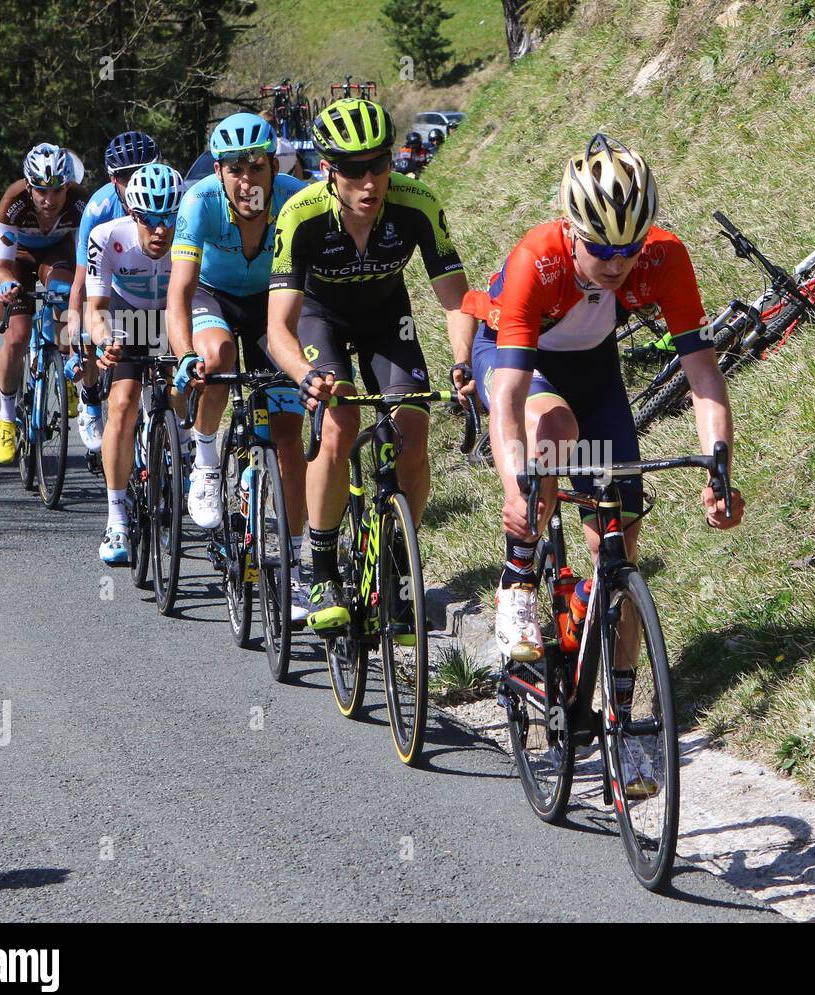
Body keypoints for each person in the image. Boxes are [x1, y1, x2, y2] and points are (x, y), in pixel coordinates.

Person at [464, 134, 745, 794]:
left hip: (593, 371)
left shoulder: (664, 257)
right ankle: (519, 579)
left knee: (617, 546)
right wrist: (515, 491)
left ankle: (625, 720)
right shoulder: (541, 257)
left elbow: (703, 373)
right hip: (510, 361)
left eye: (630, 249)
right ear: (571, 228)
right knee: (553, 430)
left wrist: (720, 469)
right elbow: (506, 395)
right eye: (601, 249)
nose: (618, 264)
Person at [267, 98, 476, 635]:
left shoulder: (418, 203)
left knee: (412, 428)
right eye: (354, 169)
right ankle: (320, 567)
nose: (370, 180)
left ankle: (400, 568)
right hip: (321, 319)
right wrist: (305, 377)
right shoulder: (301, 216)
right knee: (339, 424)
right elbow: (278, 327)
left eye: (379, 163)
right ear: (328, 170)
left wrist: (461, 361)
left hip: (387, 318)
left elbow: (455, 300)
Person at [166, 113, 312, 621]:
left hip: (274, 304)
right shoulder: (200, 201)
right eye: (233, 168)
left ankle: (297, 568)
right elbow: (179, 294)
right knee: (217, 358)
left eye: (255, 165)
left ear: (273, 165)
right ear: (219, 171)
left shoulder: (298, 199)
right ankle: (205, 460)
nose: (245, 179)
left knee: (289, 439)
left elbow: (315, 289)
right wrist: (186, 356)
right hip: (215, 297)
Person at [84, 164, 182, 563]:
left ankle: (185, 451)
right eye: (150, 220)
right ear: (132, 212)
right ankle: (117, 516)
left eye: (169, 219)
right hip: (127, 316)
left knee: (183, 390)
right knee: (122, 403)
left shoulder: (192, 238)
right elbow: (96, 310)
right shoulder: (106, 237)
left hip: (176, 314)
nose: (160, 231)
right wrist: (105, 342)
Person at [0, 144, 90, 465]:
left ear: (67, 186)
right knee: (17, 337)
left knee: (63, 296)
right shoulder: (13, 203)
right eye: (41, 192)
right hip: (18, 257)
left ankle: (61, 368)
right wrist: (6, 284)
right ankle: (6, 417)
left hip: (56, 253)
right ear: (29, 187)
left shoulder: (79, 202)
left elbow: (83, 262)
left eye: (57, 191)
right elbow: (1, 265)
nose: (49, 201)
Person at [69, 130, 162, 454]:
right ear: (112, 179)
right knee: (97, 340)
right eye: (125, 176)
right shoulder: (98, 209)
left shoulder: (166, 196)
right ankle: (91, 399)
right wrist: (75, 338)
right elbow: (81, 281)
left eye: (143, 170)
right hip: (115, 287)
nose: (135, 181)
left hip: (155, 295)